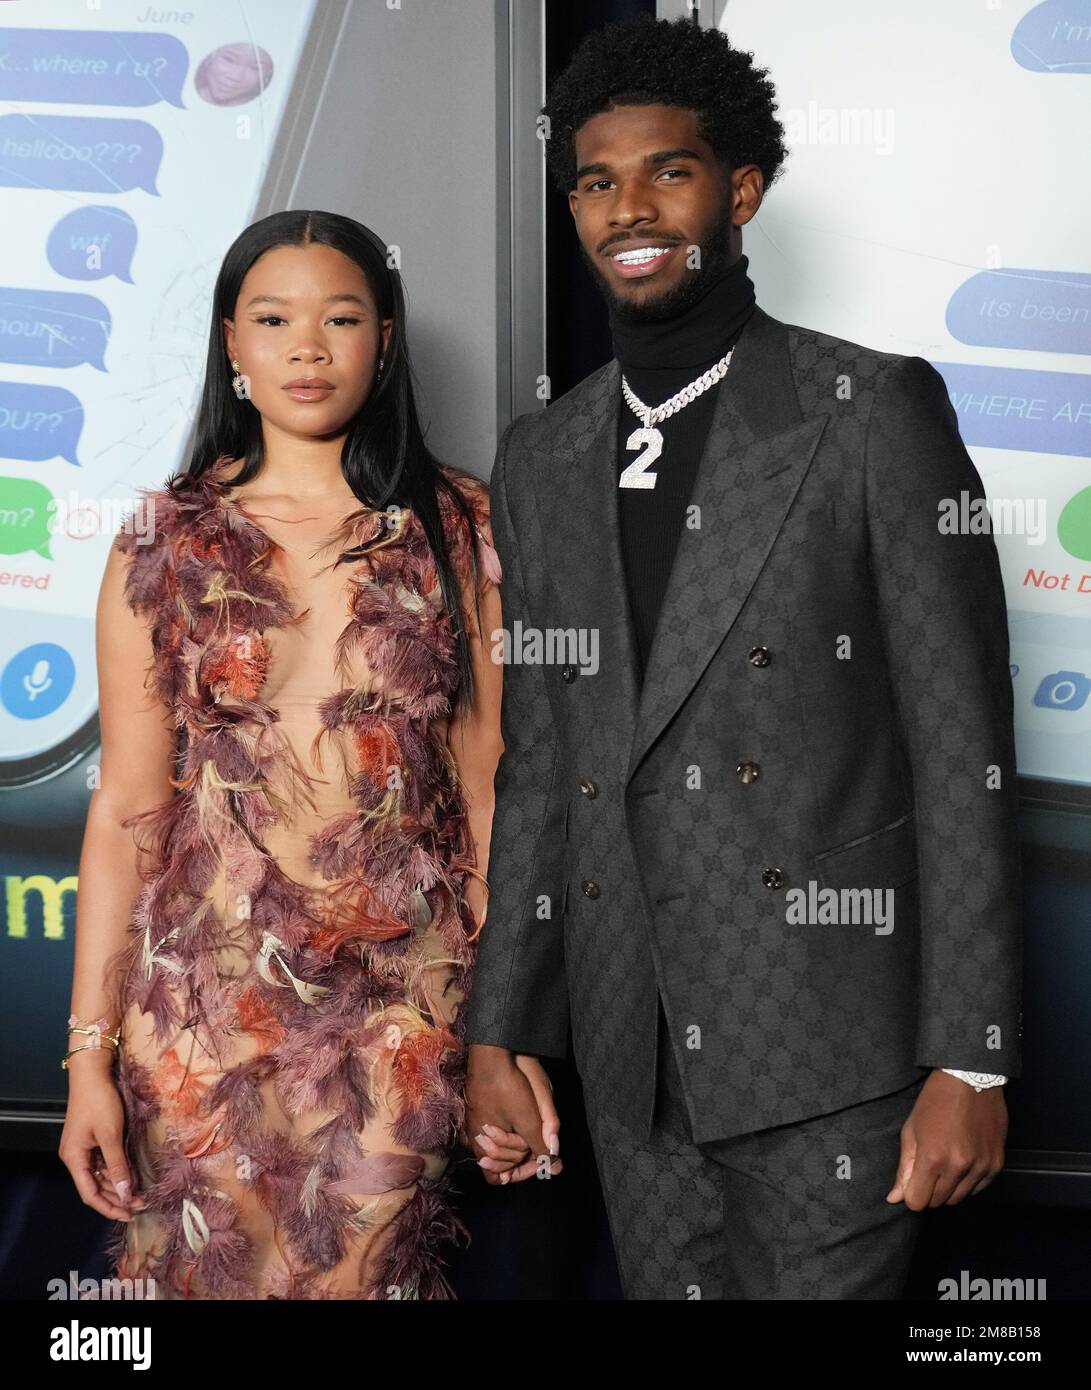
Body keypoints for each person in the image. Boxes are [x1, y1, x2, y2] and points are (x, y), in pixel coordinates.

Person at [463, 16, 1022, 1299]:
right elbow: (541, 767)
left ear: (741, 191)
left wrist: (972, 1057)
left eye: (667, 171)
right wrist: (502, 1025)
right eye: (595, 182)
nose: (627, 208)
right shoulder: (542, 456)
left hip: (829, 1044)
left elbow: (960, 750)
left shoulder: (868, 410)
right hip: (630, 1048)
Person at [59, 209, 525, 1299]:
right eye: (273, 320)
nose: (307, 348)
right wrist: (87, 1059)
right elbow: (125, 811)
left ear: (385, 339)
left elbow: (489, 783)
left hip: (403, 994)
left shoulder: (460, 526)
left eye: (340, 319)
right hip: (201, 999)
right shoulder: (164, 540)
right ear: (232, 342)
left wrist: (502, 1034)